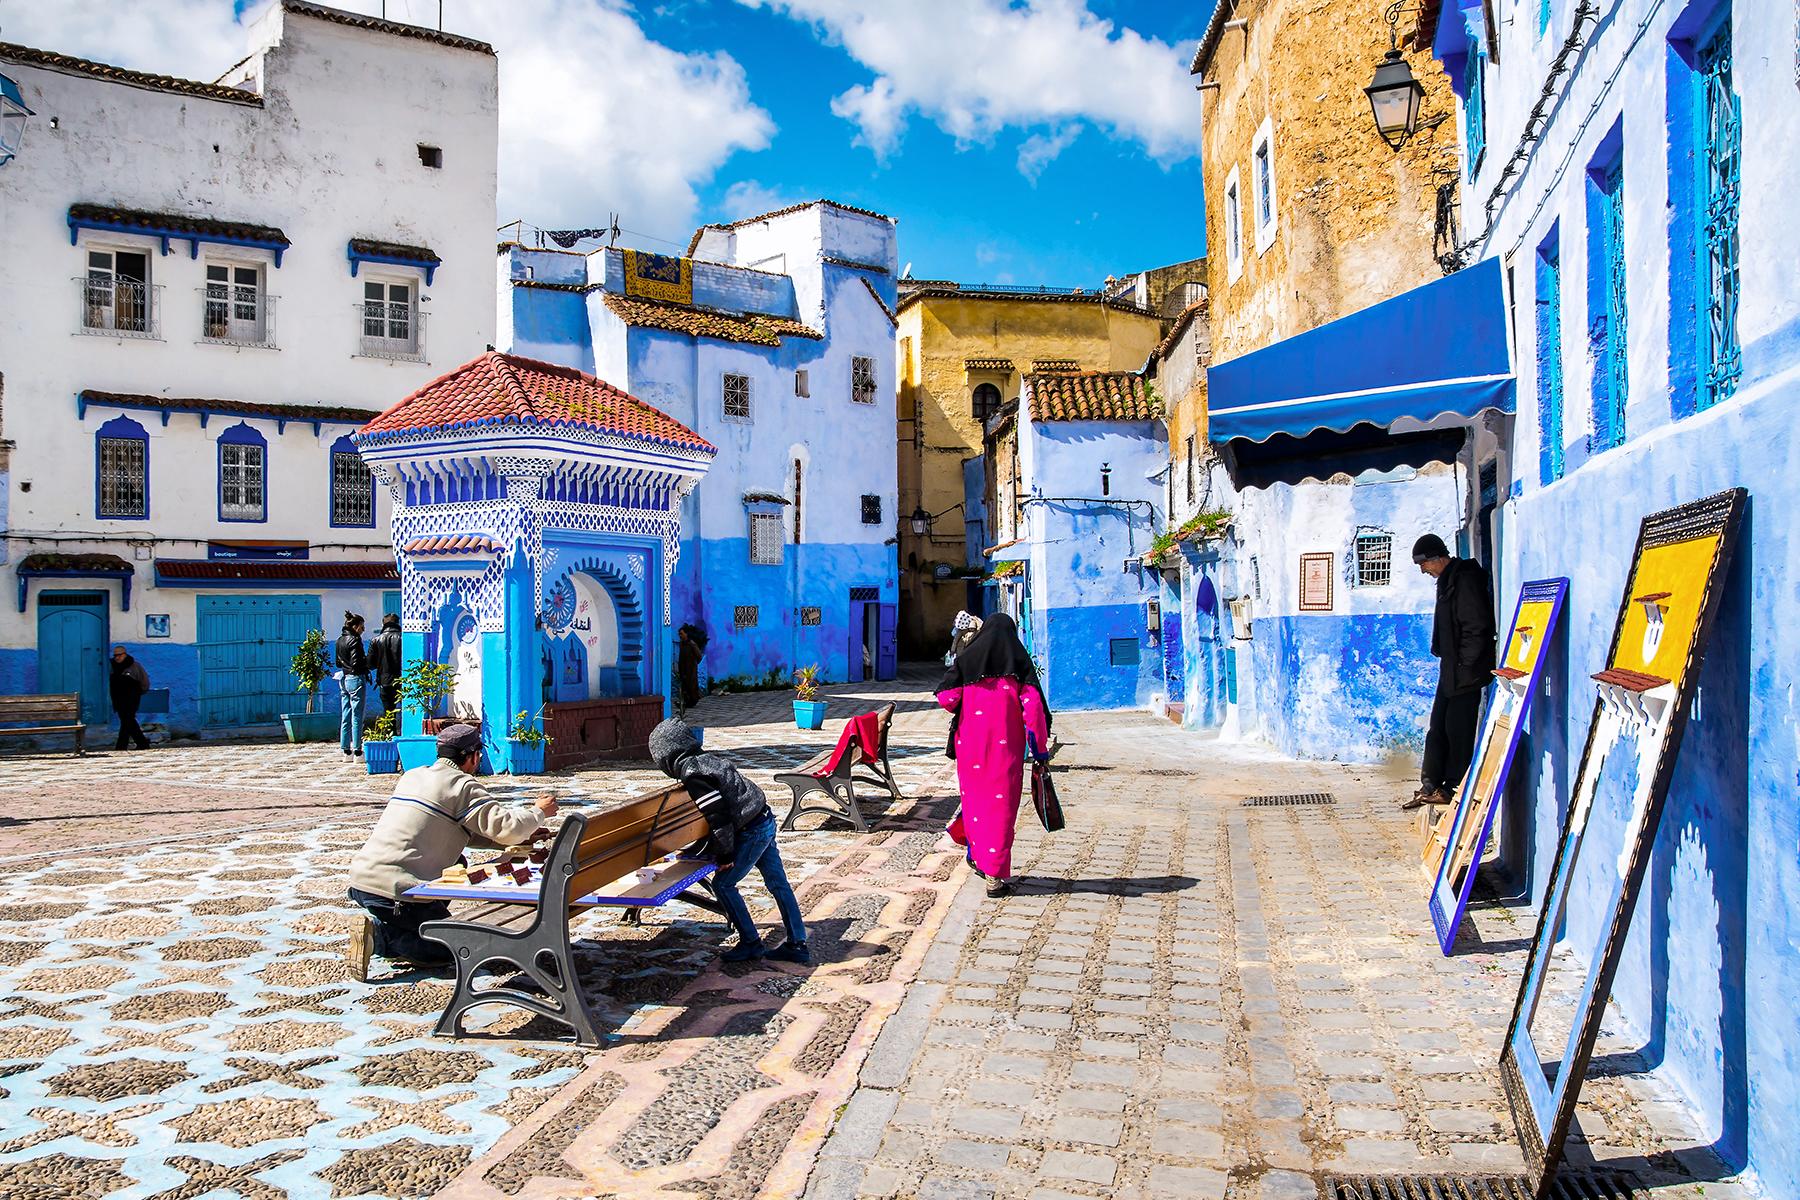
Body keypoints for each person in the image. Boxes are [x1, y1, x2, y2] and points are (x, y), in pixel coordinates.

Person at [346, 723, 555, 975]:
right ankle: (381, 936)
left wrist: (522, 839)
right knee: (462, 948)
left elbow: (458, 831)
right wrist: (539, 812)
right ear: (473, 756)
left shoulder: (413, 775)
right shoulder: (462, 786)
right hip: (395, 891)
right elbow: (507, 827)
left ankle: (411, 927)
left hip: (362, 881)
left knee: (459, 862)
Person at [648, 717, 809, 964]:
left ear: (665, 757)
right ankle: (797, 943)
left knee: (723, 884)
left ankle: (750, 943)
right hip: (763, 818)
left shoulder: (694, 776)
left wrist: (725, 855)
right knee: (778, 882)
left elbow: (718, 818)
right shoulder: (706, 761)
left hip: (751, 830)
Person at [935, 613, 1051, 898]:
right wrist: (1040, 751)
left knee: (975, 801)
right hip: (1006, 750)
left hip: (970, 748)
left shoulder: (968, 660)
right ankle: (994, 877)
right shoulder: (1020, 666)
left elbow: (946, 699)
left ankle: (977, 854)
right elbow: (1034, 712)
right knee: (1000, 808)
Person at [1404, 533, 1497, 810]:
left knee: (1458, 730)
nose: (1424, 571)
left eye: (1424, 564)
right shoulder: (1448, 581)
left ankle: (1451, 785)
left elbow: (1476, 626)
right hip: (1452, 668)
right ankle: (1431, 784)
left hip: (1464, 671)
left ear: (1436, 558)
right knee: (1438, 727)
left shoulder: (1464, 579)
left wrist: (1465, 665)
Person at [335, 613, 370, 758]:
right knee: (357, 715)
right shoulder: (355, 640)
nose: (363, 630)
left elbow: (338, 662)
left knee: (346, 714)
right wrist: (366, 663)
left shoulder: (339, 640)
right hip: (355, 678)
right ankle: (357, 749)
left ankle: (345, 750)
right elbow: (357, 662)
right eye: (362, 627)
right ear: (355, 627)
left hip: (343, 677)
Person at [109, 646, 151, 751]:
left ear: (125, 654)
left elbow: (144, 682)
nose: (117, 658)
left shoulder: (134, 666)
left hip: (132, 699)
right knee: (127, 721)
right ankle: (142, 743)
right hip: (118, 699)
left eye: (119, 655)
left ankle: (122, 745)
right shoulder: (112, 667)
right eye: (115, 655)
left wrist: (138, 693)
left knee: (127, 720)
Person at [369, 612, 404, 716]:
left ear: (383, 624)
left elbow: (370, 664)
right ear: (397, 623)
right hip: (402, 679)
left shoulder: (376, 640)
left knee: (388, 713)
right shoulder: (404, 638)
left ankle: (390, 731)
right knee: (408, 710)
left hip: (384, 681)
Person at [677, 623, 705, 710]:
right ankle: (686, 701)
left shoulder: (691, 644)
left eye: (681, 633)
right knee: (684, 685)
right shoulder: (682, 644)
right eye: (679, 634)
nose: (680, 635)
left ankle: (693, 700)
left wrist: (693, 664)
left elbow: (699, 656)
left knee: (691, 685)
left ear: (686, 634)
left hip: (691, 668)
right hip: (683, 668)